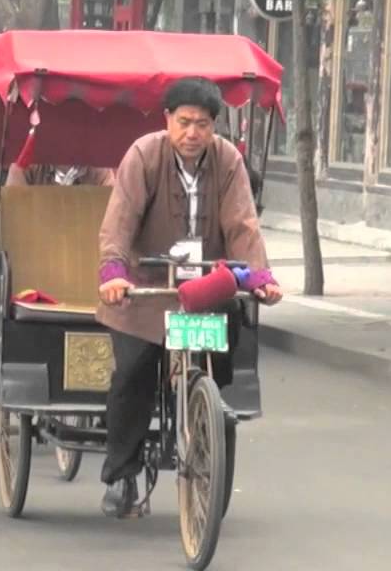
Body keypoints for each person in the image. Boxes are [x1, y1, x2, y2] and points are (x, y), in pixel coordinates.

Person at [95, 77, 282, 518]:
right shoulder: (145, 154)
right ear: (168, 120)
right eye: (184, 122)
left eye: (201, 124)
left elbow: (242, 224)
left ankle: (207, 428)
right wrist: (114, 272)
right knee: (133, 372)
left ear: (214, 126)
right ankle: (121, 476)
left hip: (204, 285)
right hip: (145, 287)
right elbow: (119, 221)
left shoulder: (228, 160)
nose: (192, 133)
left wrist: (260, 277)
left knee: (224, 360)